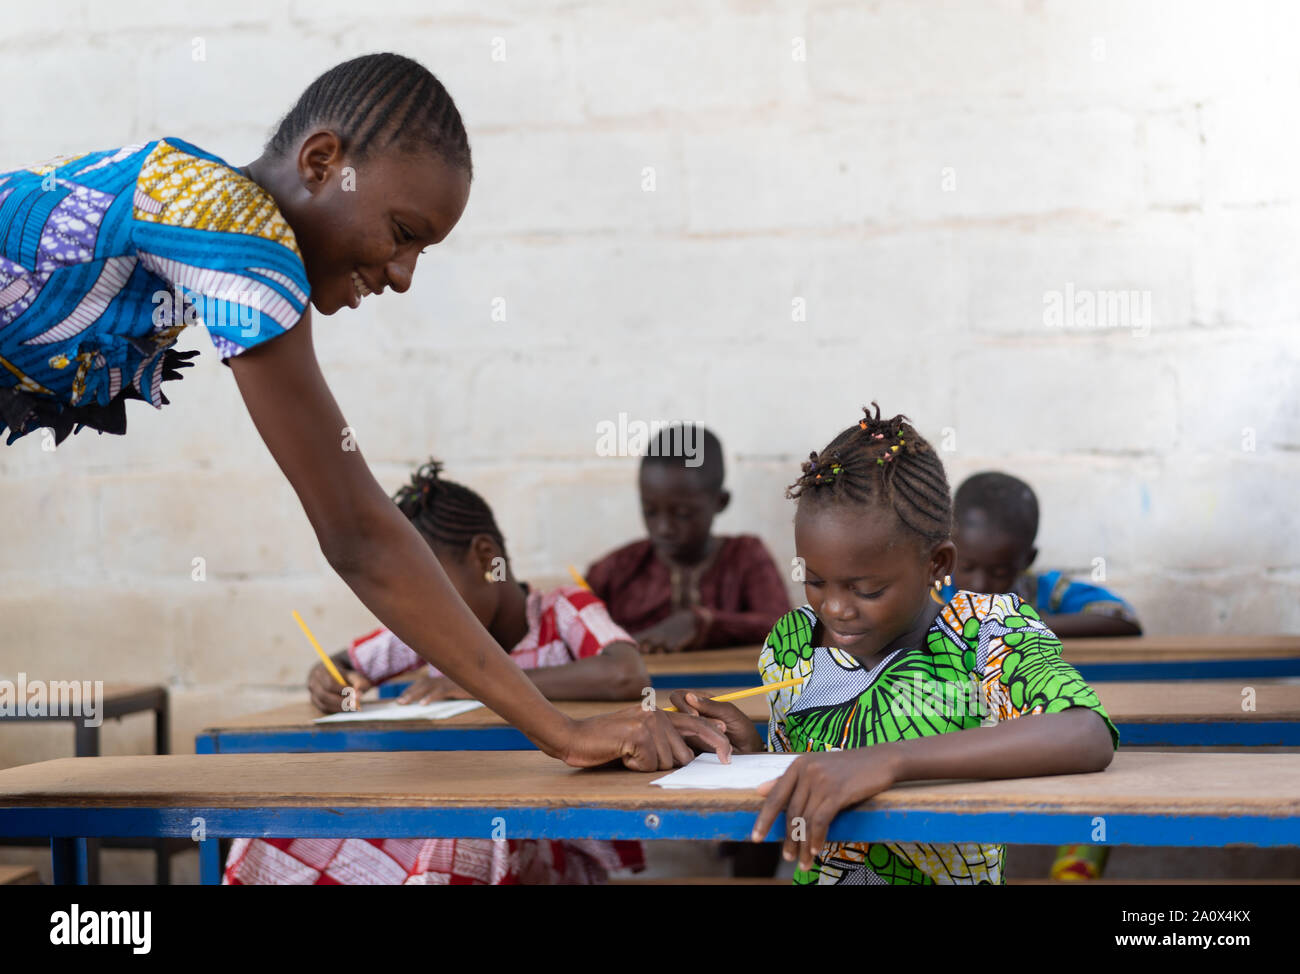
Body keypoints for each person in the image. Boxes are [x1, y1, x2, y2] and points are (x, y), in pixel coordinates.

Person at [0, 53, 726, 771]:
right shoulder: (231, 230)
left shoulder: (195, 200)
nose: (404, 276)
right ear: (321, 161)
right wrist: (561, 734)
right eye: (404, 233)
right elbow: (357, 533)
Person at [670, 404, 1118, 884]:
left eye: (867, 590)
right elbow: (803, 785)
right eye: (816, 581)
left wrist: (889, 761)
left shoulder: (985, 632)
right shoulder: (794, 644)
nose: (837, 608)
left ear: (937, 563)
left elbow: (1085, 734)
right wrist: (750, 755)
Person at [227, 461, 647, 885]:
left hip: (554, 830)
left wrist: (473, 684)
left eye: (432, 586)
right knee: (269, 835)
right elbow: (342, 664)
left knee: (464, 838)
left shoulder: (562, 609)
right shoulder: (426, 628)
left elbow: (625, 674)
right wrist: (329, 679)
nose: (420, 605)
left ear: (485, 556)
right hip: (455, 806)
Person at [586, 423, 790, 652]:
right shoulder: (617, 570)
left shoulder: (745, 556)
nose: (663, 528)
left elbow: (783, 628)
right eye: (649, 511)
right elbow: (579, 633)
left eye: (682, 514)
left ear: (720, 502)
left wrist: (703, 623)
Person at [945, 471, 1142, 637]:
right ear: (950, 550)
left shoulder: (1045, 593)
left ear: (1027, 560)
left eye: (999, 573)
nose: (980, 585)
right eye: (967, 567)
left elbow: (1123, 618)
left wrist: (1019, 626)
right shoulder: (931, 595)